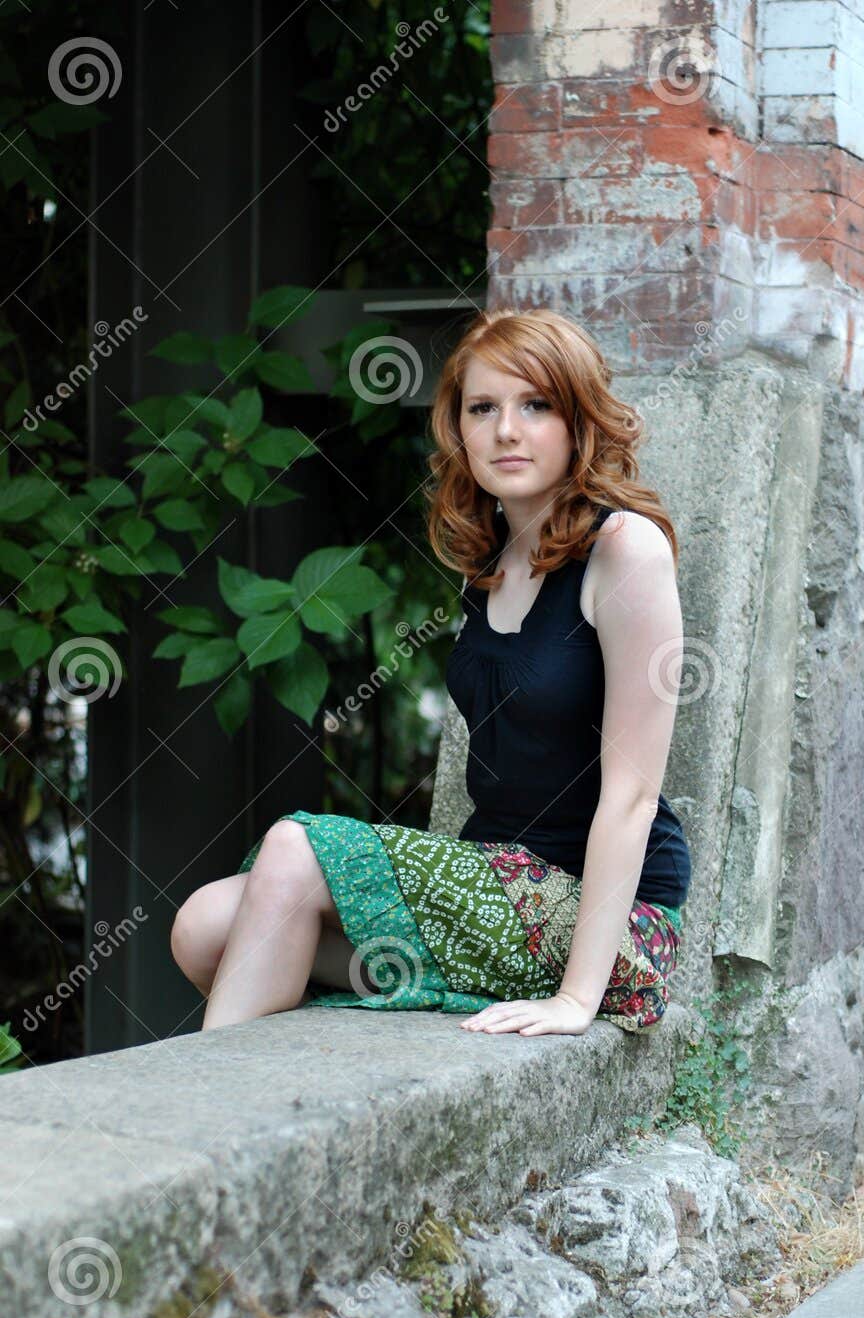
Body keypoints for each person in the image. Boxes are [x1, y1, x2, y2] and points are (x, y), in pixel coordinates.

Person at [169, 306, 692, 1038]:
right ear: (459, 429)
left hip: (604, 916)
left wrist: (576, 999)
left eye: (535, 405)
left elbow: (633, 797)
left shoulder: (624, 549)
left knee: (293, 848)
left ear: (580, 421)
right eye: (483, 408)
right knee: (203, 925)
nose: (505, 430)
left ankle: (213, 1120)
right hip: (492, 885)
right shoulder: (488, 562)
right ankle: (299, 1100)